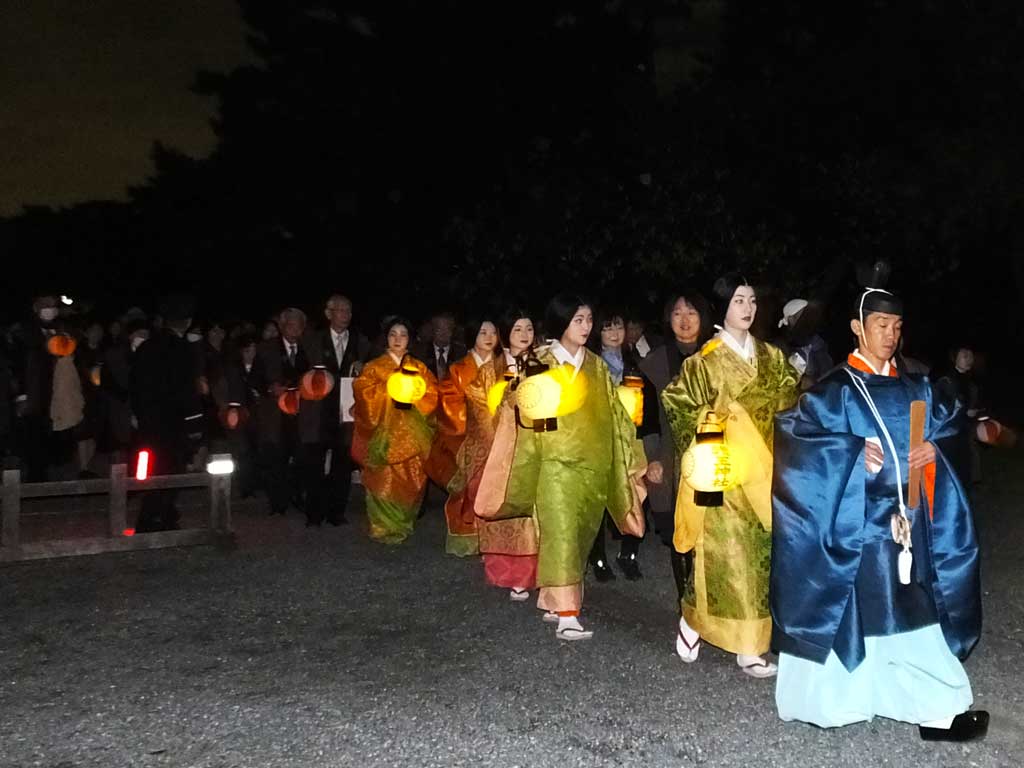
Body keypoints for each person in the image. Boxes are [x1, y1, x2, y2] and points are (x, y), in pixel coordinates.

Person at [771, 282, 988, 742]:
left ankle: (938, 709)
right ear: (857, 328)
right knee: (854, 617)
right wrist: (847, 452)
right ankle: (828, 704)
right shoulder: (833, 392)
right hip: (854, 527)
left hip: (907, 522)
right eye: (881, 325)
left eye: (897, 326)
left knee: (913, 614)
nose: (891, 335)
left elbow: (952, 430)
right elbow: (797, 445)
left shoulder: (918, 387)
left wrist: (938, 449)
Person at [475, 294, 646, 640]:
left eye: (588, 320)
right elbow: (515, 404)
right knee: (562, 531)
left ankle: (554, 599)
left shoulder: (596, 366)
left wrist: (628, 452)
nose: (585, 327)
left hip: (593, 464)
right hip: (553, 463)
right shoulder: (539, 360)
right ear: (561, 323)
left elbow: (614, 416)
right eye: (578, 320)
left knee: (580, 534)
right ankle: (568, 612)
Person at [662, 274, 798, 677]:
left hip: (764, 467)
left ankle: (751, 642)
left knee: (761, 555)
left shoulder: (772, 357)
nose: (748, 308)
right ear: (722, 308)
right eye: (739, 300)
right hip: (724, 468)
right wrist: (713, 421)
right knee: (725, 555)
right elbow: (678, 403)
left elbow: (789, 398)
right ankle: (697, 621)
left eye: (752, 300)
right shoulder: (704, 360)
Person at [639, 293, 714, 602]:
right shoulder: (654, 363)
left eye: (692, 313)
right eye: (677, 314)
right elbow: (647, 419)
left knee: (711, 529)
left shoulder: (716, 356)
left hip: (712, 453)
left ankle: (709, 595)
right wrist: (652, 458)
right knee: (678, 532)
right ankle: (687, 600)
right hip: (670, 454)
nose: (684, 321)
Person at [469, 310, 539, 600]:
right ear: (505, 334)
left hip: (534, 448)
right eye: (517, 328)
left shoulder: (543, 364)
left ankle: (532, 574)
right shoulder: (490, 370)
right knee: (503, 513)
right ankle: (506, 573)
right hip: (500, 450)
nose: (524, 334)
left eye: (529, 328)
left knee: (532, 515)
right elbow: (479, 410)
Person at [352, 316, 439, 543]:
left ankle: (403, 523)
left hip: (412, 436)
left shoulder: (419, 367)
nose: (398, 339)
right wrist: (390, 388)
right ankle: (382, 526)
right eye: (393, 334)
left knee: (411, 479)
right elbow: (363, 394)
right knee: (383, 478)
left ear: (410, 339)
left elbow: (432, 396)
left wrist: (413, 395)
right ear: (386, 338)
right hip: (384, 436)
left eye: (403, 334)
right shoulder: (374, 367)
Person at [131, 294, 204, 532]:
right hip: (173, 422)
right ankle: (156, 516)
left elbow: (136, 384)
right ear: (187, 321)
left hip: (148, 420)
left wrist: (138, 413)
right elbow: (187, 391)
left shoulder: (146, 347)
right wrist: (195, 426)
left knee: (151, 467)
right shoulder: (183, 350)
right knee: (172, 468)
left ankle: (160, 513)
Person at [439, 317, 500, 556]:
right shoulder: (458, 369)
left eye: (493, 332)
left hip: (499, 439)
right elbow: (449, 403)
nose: (488, 337)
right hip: (470, 438)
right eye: (482, 332)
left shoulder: (503, 367)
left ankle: (492, 539)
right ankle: (470, 536)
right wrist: (475, 421)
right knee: (470, 490)